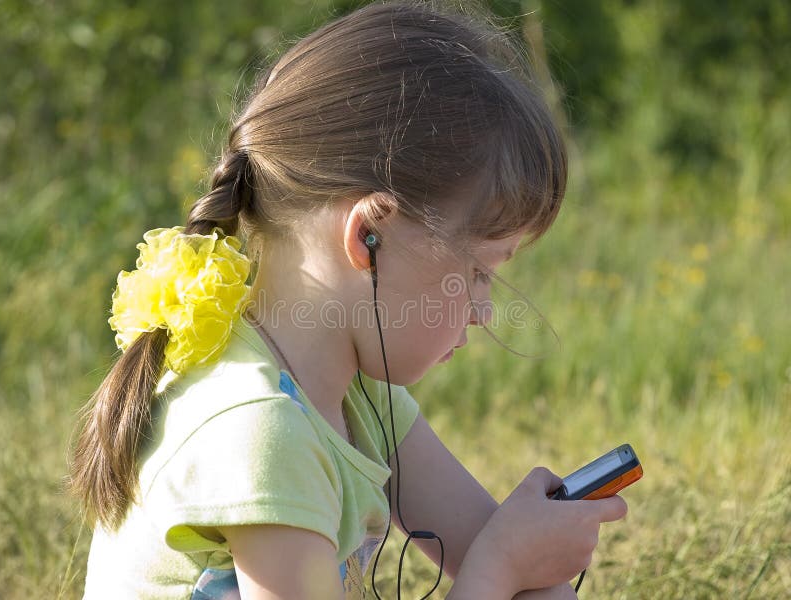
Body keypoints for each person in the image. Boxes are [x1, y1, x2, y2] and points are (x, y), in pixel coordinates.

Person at [70, 2, 628, 598]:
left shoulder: (358, 395)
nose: (483, 309)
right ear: (369, 236)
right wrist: (501, 566)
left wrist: (520, 560)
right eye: (478, 271)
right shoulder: (259, 429)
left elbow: (511, 571)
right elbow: (497, 571)